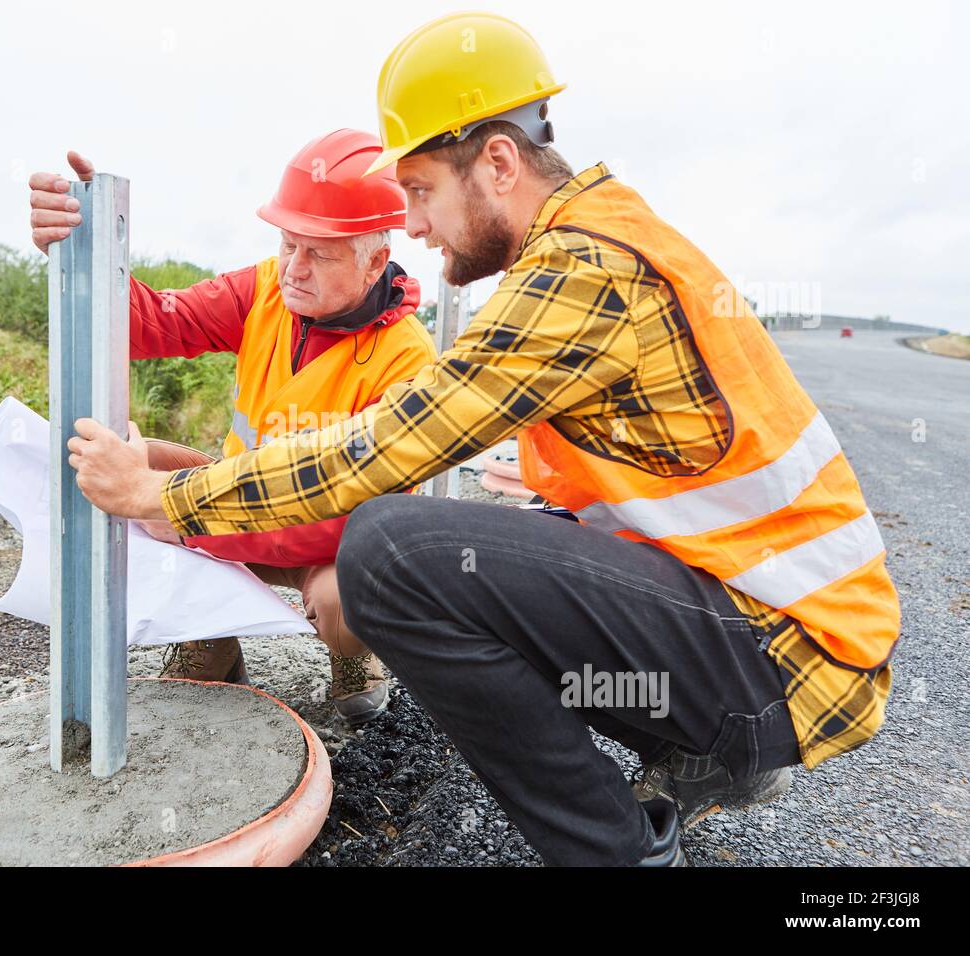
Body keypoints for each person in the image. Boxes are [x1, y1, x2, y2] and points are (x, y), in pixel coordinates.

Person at [63, 13, 900, 865]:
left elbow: (382, 450)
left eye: (420, 191)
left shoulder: (583, 272)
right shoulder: (595, 238)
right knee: (494, 554)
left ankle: (620, 850)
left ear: (497, 162)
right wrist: (86, 244)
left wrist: (162, 496)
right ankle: (700, 746)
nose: (414, 226)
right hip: (768, 637)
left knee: (393, 554)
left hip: (786, 659)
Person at [29, 129, 437, 725]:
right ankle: (211, 637)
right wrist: (80, 246)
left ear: (375, 259)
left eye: (318, 252)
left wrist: (189, 520)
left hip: (330, 541)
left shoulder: (408, 360)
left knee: (342, 598)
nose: (293, 269)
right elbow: (150, 326)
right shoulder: (264, 290)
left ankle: (352, 652)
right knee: (120, 467)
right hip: (235, 503)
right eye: (287, 243)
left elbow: (347, 520)